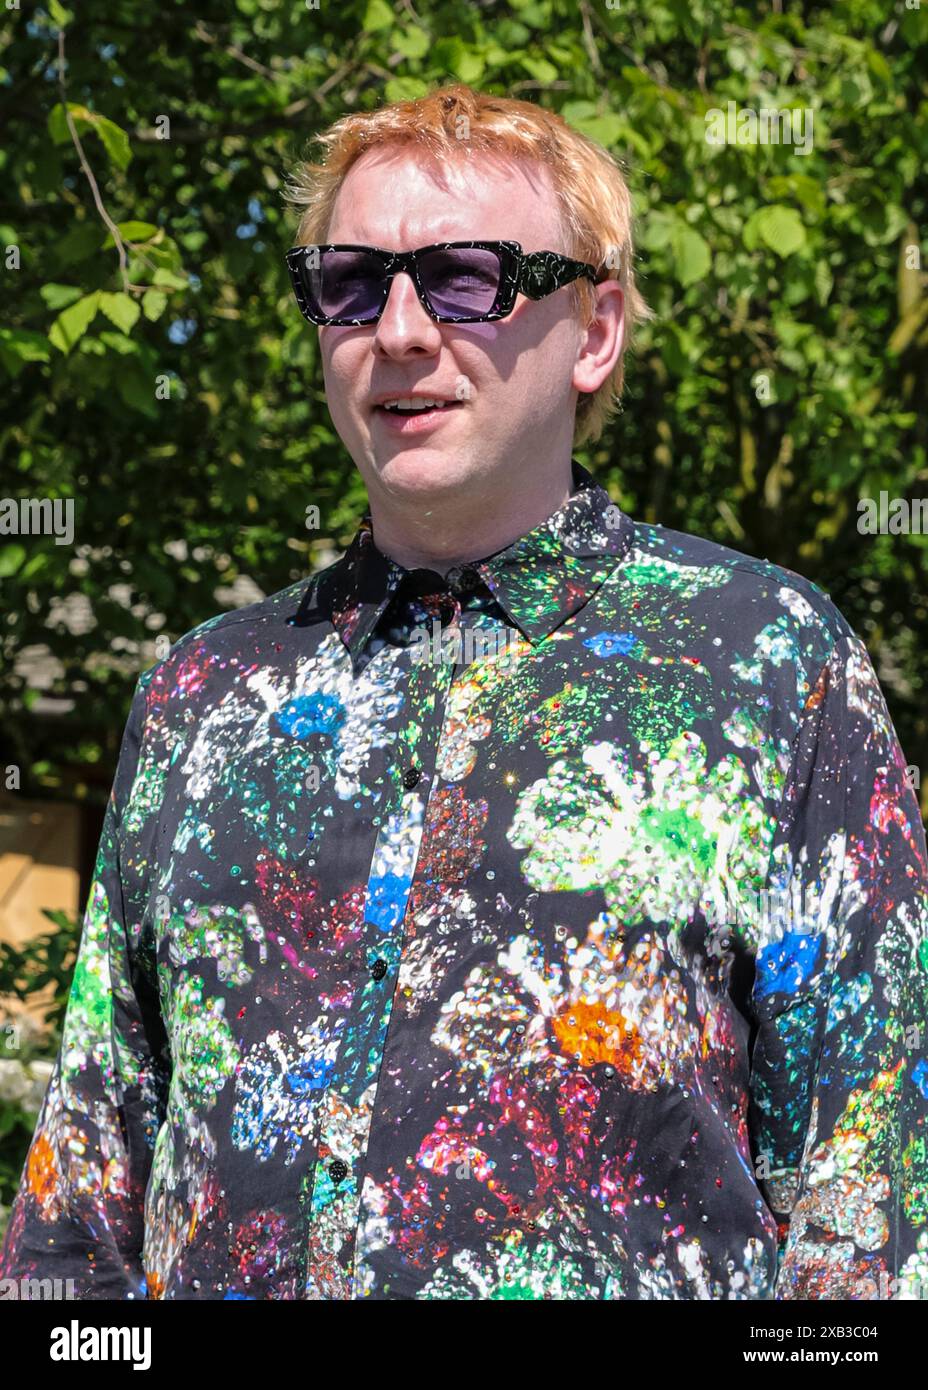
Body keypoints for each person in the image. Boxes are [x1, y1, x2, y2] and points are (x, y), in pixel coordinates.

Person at [2, 82, 925, 1302]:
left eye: (465, 278)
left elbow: (869, 1193)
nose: (397, 330)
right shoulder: (201, 690)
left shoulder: (766, 658)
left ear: (594, 328)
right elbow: (83, 1186)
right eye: (348, 281)